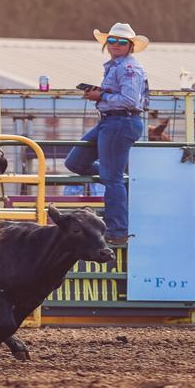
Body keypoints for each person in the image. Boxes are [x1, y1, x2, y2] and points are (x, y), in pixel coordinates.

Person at [64, 23, 147, 247]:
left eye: (121, 42)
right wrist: (102, 95)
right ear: (106, 44)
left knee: (112, 178)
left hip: (120, 120)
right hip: (113, 121)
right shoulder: (118, 66)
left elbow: (130, 100)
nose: (115, 45)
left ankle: (118, 230)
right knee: (75, 162)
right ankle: (120, 184)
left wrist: (100, 98)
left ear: (130, 46)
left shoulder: (128, 68)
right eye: (112, 41)